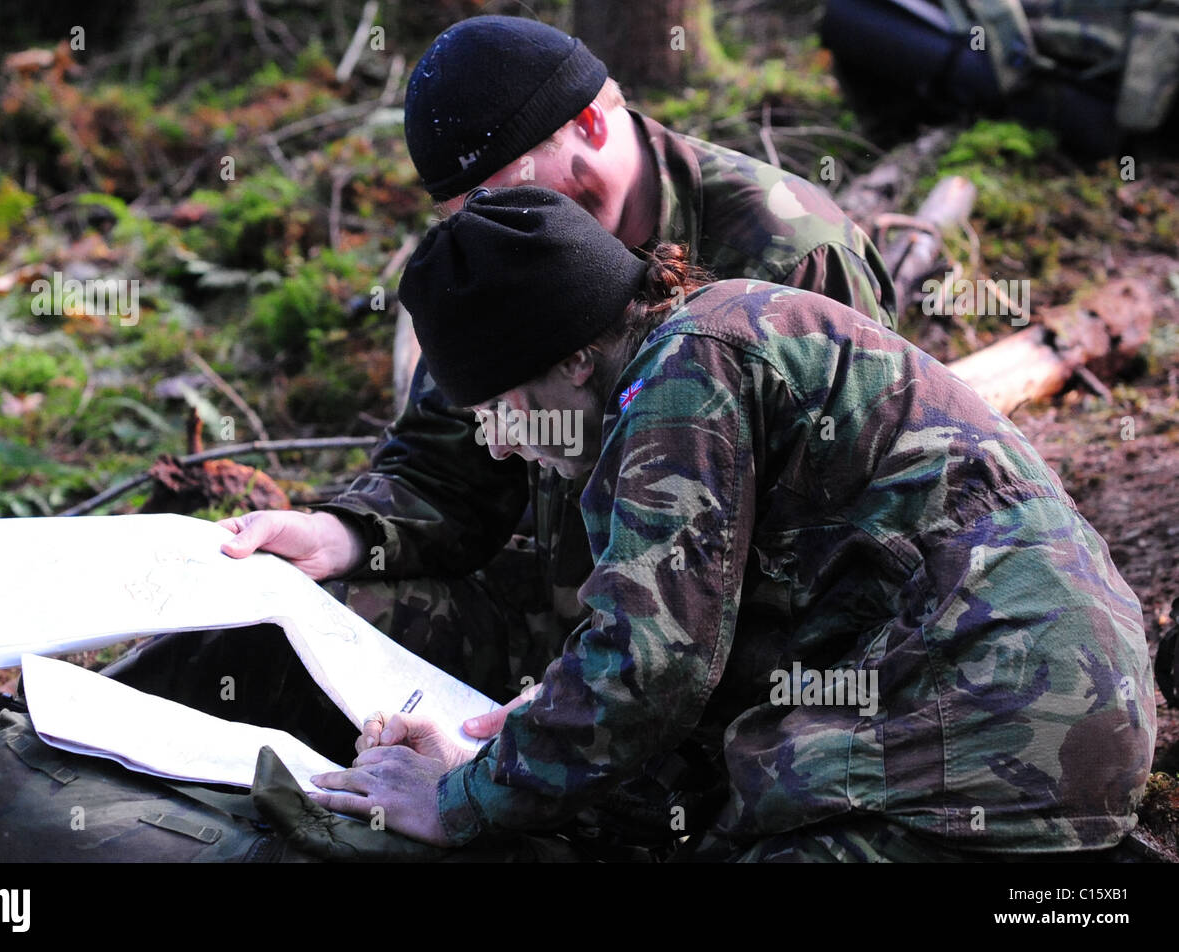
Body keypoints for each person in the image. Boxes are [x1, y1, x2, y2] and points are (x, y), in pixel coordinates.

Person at [302, 186, 1155, 861]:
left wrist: (456, 801)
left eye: (496, 408)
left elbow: (651, 667)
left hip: (1003, 722)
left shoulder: (683, 374)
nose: (493, 444)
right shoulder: (707, 337)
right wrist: (508, 743)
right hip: (1027, 701)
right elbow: (695, 655)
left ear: (569, 358)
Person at [221, 14, 898, 720]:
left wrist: (592, 695)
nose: (505, 223)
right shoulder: (501, 245)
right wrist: (347, 533)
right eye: (475, 213)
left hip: (722, 669)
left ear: (591, 124)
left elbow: (842, 542)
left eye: (515, 193)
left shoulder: (789, 253)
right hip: (548, 624)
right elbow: (446, 466)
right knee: (276, 626)